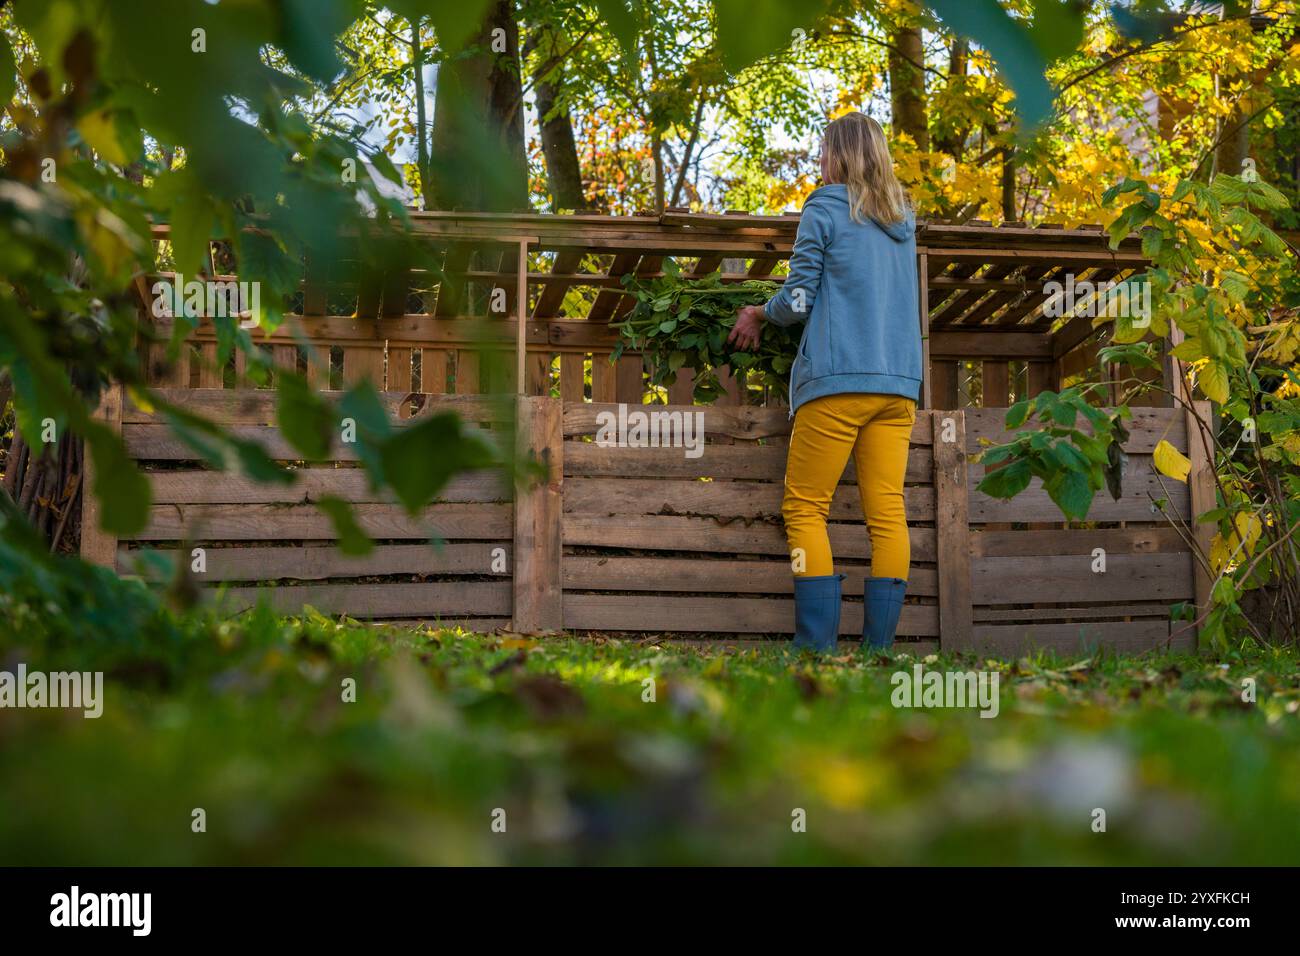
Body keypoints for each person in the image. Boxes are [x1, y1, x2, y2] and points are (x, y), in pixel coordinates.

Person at [727, 111, 922, 653]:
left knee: (805, 508)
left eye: (823, 152)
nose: (818, 162)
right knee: (887, 511)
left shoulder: (825, 206)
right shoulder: (901, 220)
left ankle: (815, 648)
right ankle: (878, 651)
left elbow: (799, 298)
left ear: (839, 155)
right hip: (898, 386)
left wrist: (759, 314)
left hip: (839, 382)